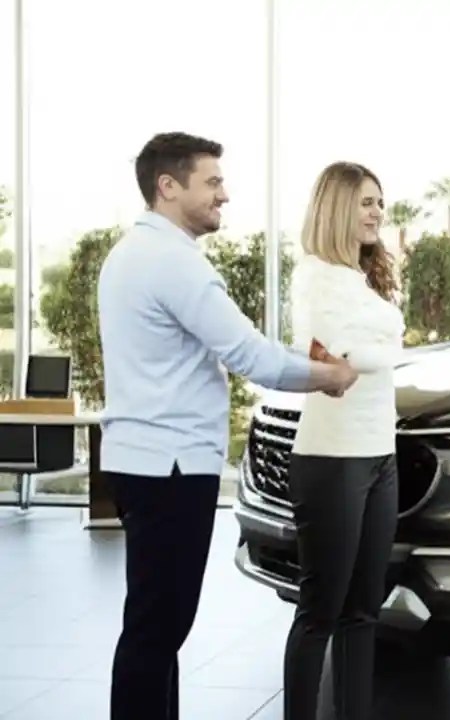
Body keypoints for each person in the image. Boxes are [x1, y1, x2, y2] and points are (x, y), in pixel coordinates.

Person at [97, 132, 358, 720]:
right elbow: (254, 358)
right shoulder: (174, 264)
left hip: (141, 461)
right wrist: (331, 374)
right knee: (155, 633)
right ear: (169, 186)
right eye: (212, 182)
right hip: (171, 468)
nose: (225, 195)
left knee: (154, 629)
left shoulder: (131, 254)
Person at [282, 161, 404, 720]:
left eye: (379, 202)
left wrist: (369, 350)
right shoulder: (314, 274)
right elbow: (338, 352)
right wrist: (374, 350)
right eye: (365, 202)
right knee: (320, 612)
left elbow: (369, 353)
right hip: (332, 458)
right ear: (336, 208)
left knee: (364, 611)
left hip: (380, 453)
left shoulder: (364, 278)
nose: (377, 211)